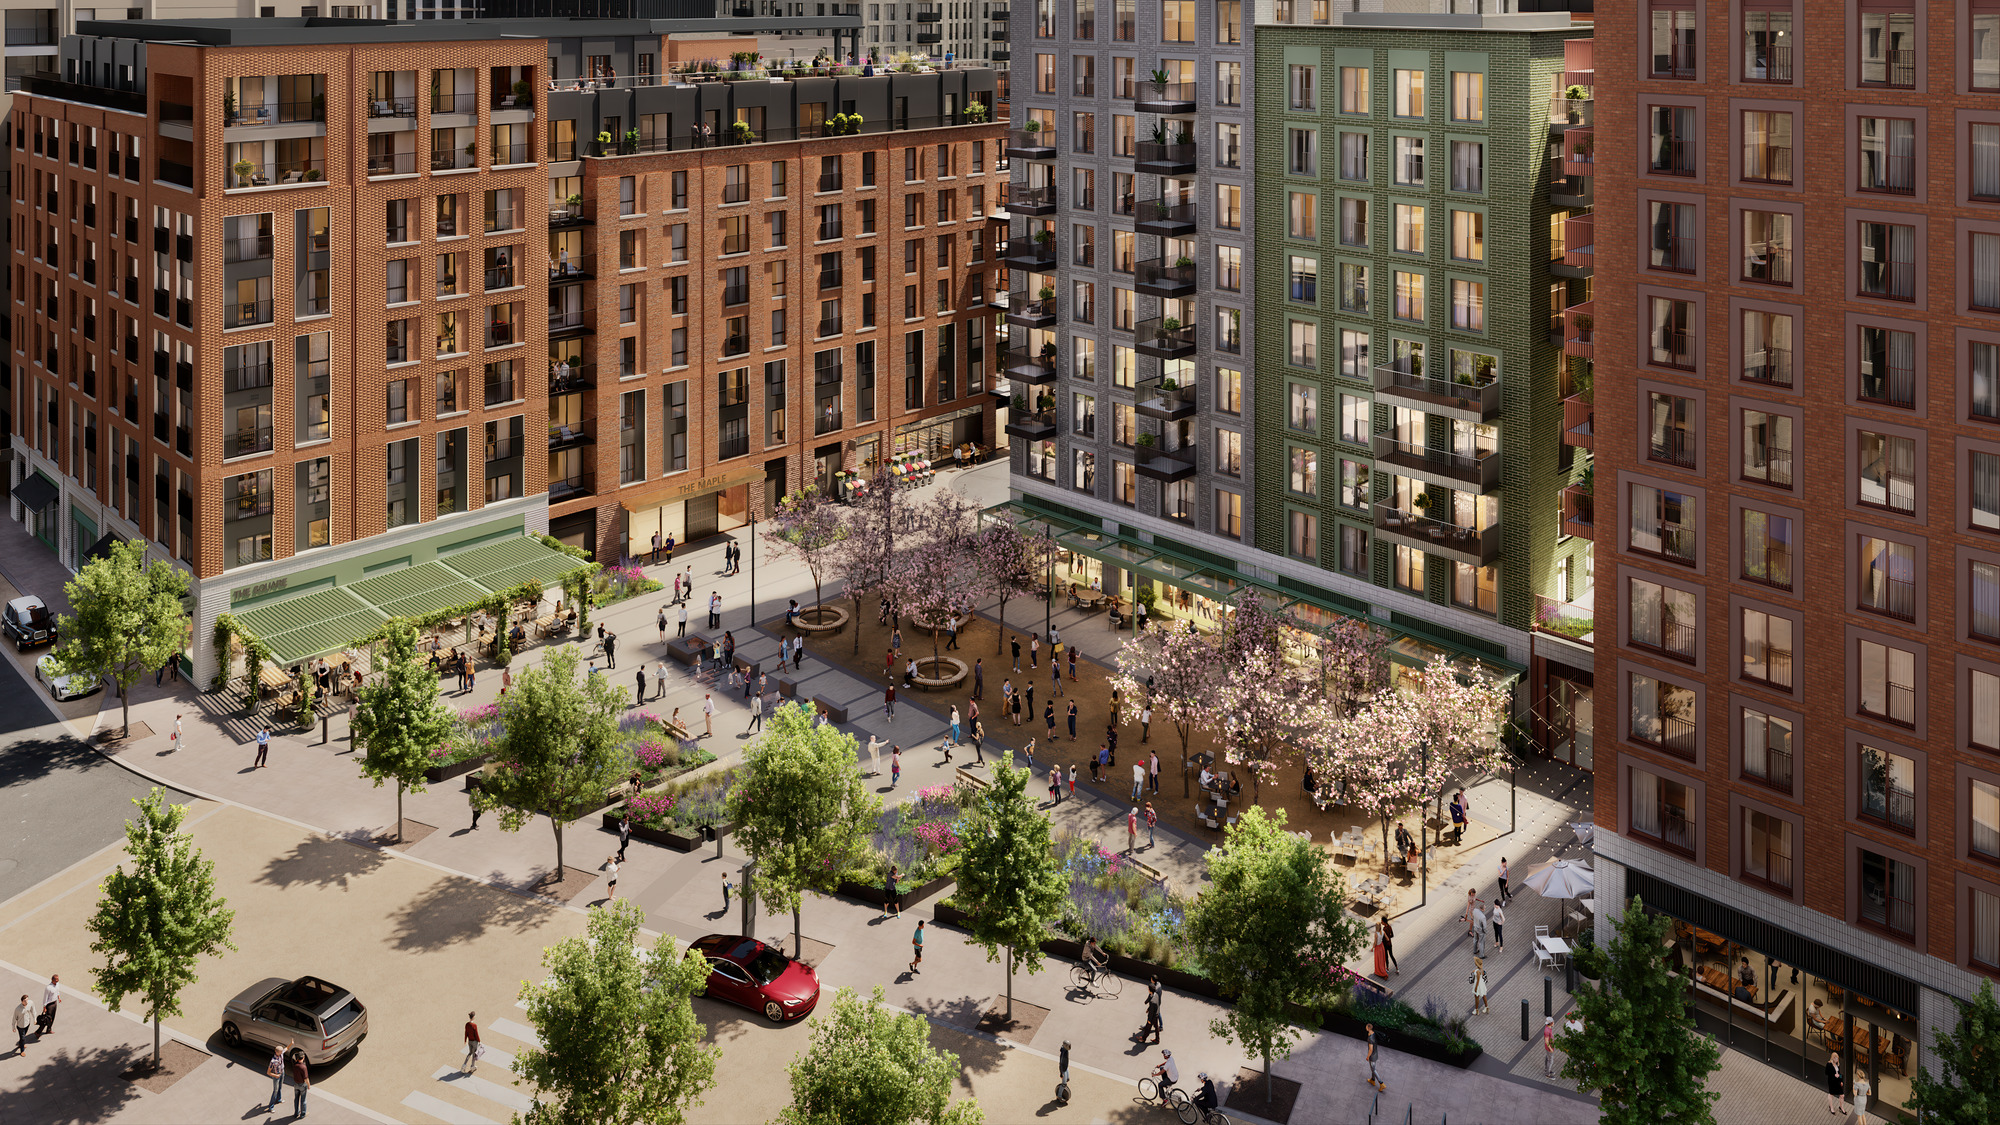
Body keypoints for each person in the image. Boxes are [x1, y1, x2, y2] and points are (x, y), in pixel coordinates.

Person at [285, 1042, 310, 1117]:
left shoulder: (294, 1065)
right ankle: (303, 1114)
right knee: (303, 1100)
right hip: (302, 1085)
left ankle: (296, 1113)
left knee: (296, 1099)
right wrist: (308, 1085)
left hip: (296, 1084)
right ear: (303, 1058)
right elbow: (306, 1078)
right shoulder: (303, 1067)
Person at [1364, 1023, 1385, 1092]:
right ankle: (1372, 1080)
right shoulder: (1373, 1033)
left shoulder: (1370, 1038)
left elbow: (1370, 1049)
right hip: (1376, 1053)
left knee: (1373, 1070)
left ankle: (1381, 1083)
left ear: (1369, 1028)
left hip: (1372, 1055)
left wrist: (1367, 1056)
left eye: (1366, 1027)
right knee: (1373, 1068)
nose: (1365, 1027)